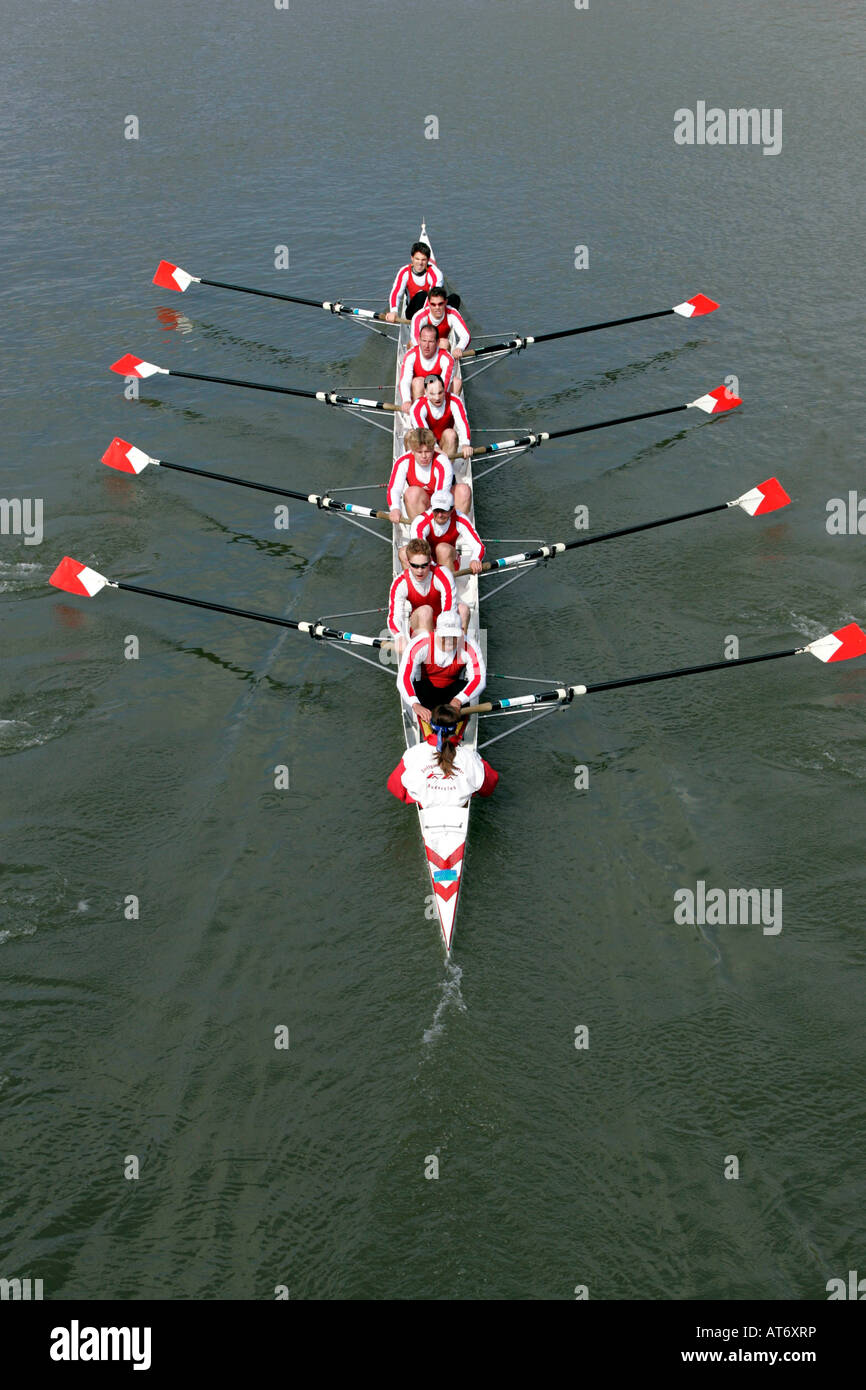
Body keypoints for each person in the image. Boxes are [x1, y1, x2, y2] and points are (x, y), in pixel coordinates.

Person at [387, 703, 499, 806]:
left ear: (431, 725)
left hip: (425, 805)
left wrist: (416, 795)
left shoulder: (412, 754)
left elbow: (395, 787)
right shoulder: (471, 756)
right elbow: (488, 788)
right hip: (458, 807)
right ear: (456, 728)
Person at [397, 608, 486, 726]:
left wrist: (459, 700)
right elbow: (404, 678)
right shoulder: (420, 644)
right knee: (418, 688)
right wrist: (415, 704)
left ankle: (450, 728)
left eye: (454, 636)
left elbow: (479, 679)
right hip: (427, 688)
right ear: (436, 631)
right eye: (445, 635)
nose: (449, 640)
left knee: (463, 686)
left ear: (462, 631)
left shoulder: (470, 646)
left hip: (454, 692)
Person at [411, 490, 485, 598]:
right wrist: (434, 569)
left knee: (443, 549)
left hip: (450, 561)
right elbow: (419, 553)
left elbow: (479, 546)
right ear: (431, 508)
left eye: (444, 511)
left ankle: (448, 595)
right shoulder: (420, 522)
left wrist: (475, 559)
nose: (440, 515)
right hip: (425, 565)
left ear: (452, 509)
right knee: (404, 552)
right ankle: (417, 592)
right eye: (436, 510)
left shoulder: (460, 519)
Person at [387, 538, 455, 651]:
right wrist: (399, 636)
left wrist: (442, 632)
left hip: (443, 622)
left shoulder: (443, 574)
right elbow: (394, 616)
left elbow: (449, 610)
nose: (420, 571)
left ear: (430, 561)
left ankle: (460, 655)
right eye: (415, 566)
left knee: (464, 610)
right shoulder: (400, 583)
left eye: (424, 566)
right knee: (425, 611)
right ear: (408, 563)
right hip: (419, 623)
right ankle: (428, 655)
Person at [410, 374, 472, 460]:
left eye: (440, 392)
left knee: (451, 434)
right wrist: (436, 448)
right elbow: (424, 434)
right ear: (426, 392)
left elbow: (462, 423)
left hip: (445, 441)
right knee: (410, 435)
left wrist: (466, 444)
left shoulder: (455, 401)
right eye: (432, 394)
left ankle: (447, 468)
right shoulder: (417, 407)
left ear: (444, 390)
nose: (437, 398)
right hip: (425, 444)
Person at [398, 323, 457, 409]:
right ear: (419, 340)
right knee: (418, 382)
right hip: (417, 393)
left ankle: (449, 413)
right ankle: (417, 413)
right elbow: (405, 381)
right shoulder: (411, 355)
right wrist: (406, 401)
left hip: (438, 397)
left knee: (456, 382)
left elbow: (445, 384)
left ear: (437, 342)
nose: (426, 346)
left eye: (431, 342)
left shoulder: (447, 358)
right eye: (424, 341)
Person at [385, 241, 444, 322]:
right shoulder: (404, 272)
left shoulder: (436, 274)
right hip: (411, 313)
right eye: (417, 259)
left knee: (455, 298)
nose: (420, 263)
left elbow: (434, 298)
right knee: (421, 295)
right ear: (412, 258)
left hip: (430, 311)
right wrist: (393, 311)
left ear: (428, 260)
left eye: (423, 260)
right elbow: (396, 292)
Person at [410, 285, 471, 356]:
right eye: (433, 304)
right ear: (428, 303)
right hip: (424, 349)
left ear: (445, 302)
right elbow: (415, 338)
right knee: (411, 343)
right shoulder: (419, 316)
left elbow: (465, 336)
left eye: (440, 304)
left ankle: (444, 363)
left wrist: (459, 348)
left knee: (444, 343)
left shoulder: (452, 313)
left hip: (441, 347)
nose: (437, 308)